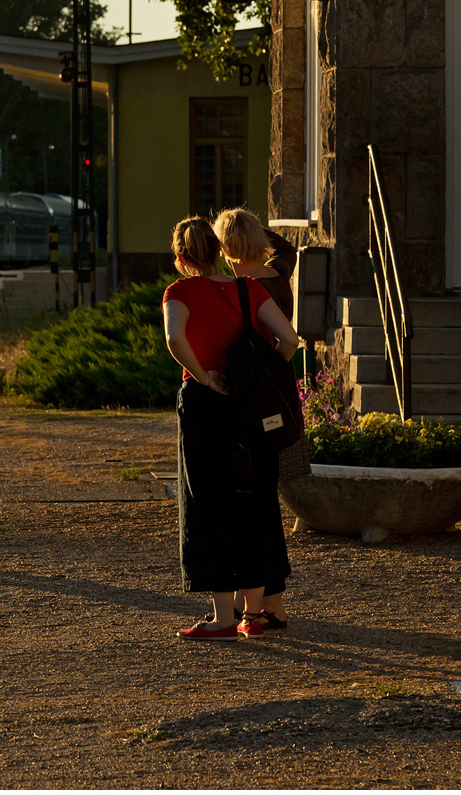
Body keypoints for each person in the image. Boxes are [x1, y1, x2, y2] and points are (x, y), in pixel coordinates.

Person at [162, 215, 299, 641]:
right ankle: (255, 614)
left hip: (205, 403)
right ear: (220, 251)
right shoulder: (249, 288)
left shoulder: (179, 291)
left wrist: (203, 376)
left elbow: (174, 339)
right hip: (250, 405)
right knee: (255, 499)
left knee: (208, 502)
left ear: (183, 258)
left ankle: (222, 615)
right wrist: (260, 375)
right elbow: (290, 340)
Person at [212, 207, 306, 632]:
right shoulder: (278, 275)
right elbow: (287, 247)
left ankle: (257, 606)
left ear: (225, 248)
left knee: (250, 503)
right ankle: (274, 605)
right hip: (278, 398)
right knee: (266, 499)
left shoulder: (240, 287)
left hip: (248, 400)